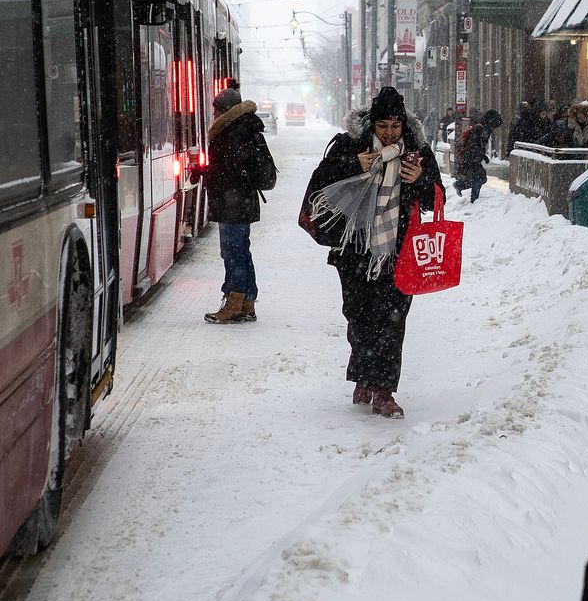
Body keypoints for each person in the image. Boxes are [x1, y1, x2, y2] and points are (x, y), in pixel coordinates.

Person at [302, 87, 444, 418]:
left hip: (399, 250)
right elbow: (320, 181)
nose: (390, 133)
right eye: (383, 126)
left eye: (396, 126)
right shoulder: (349, 145)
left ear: (404, 124)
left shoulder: (417, 152)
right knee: (358, 316)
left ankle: (383, 391)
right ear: (372, 124)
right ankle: (364, 376)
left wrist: (420, 179)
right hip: (354, 250)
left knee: (393, 321)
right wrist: (353, 165)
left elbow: (437, 196)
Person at [201, 89, 278, 323]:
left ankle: (233, 302)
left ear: (225, 110)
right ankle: (247, 302)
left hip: (233, 202)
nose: (213, 113)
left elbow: (228, 169)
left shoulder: (233, 131)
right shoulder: (243, 127)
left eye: (215, 109)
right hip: (239, 201)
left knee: (233, 253)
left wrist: (204, 171)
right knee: (241, 251)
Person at [453, 109, 503, 201]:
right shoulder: (480, 129)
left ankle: (461, 187)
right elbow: (473, 145)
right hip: (469, 158)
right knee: (479, 177)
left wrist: (481, 155)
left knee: (480, 177)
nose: (495, 128)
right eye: (495, 124)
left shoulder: (485, 129)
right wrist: (482, 155)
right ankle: (472, 197)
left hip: (472, 158)